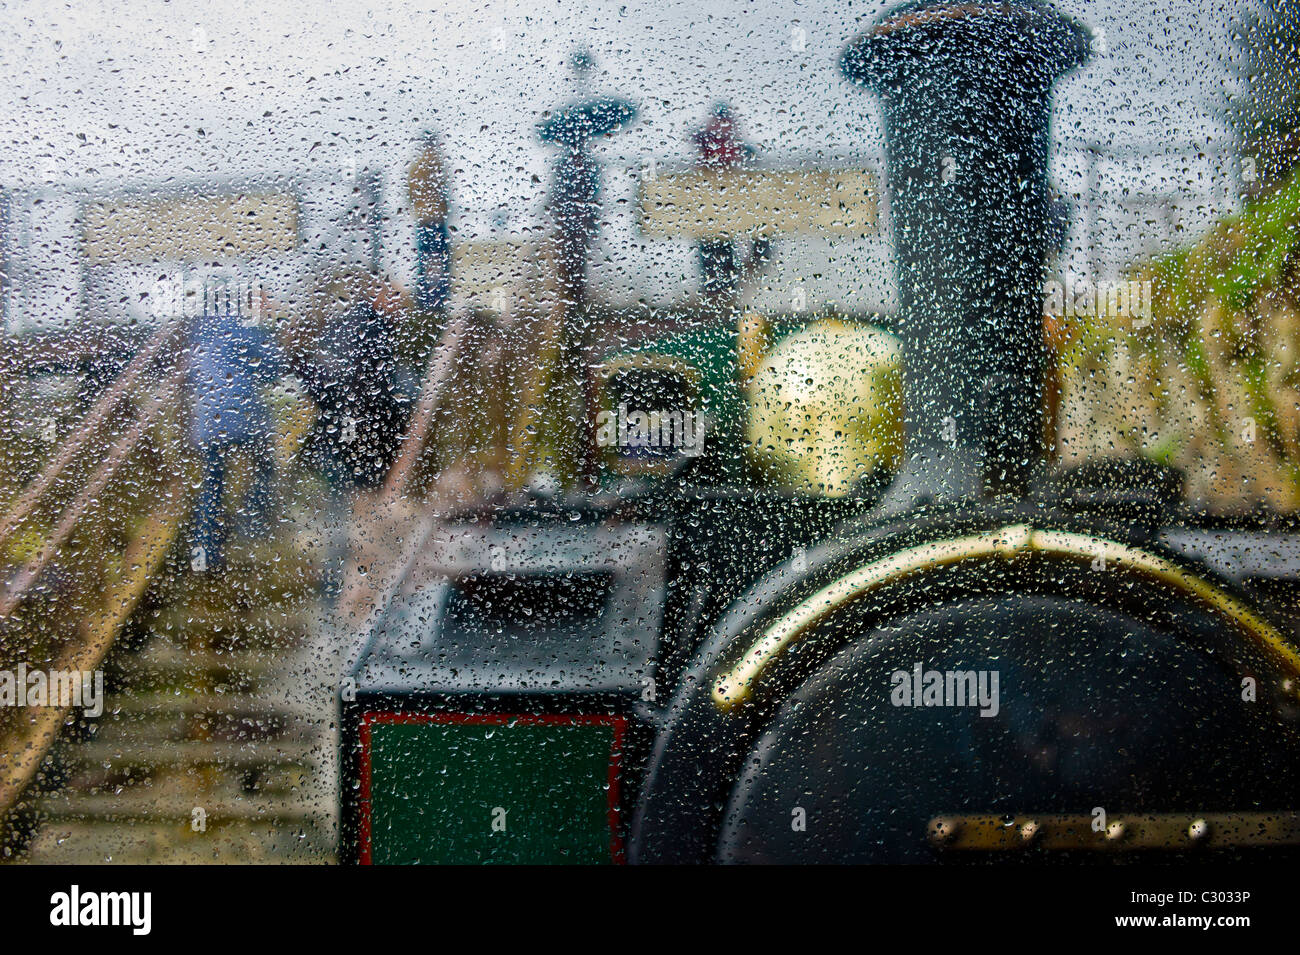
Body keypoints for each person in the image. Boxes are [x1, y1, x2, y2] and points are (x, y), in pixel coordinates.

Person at [185, 282, 283, 571]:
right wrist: (275, 338)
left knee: (211, 485)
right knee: (266, 464)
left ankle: (203, 556)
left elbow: (194, 372)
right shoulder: (244, 325)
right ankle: (251, 527)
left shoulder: (202, 327)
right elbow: (271, 368)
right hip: (240, 414)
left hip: (206, 417)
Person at [408, 132, 452, 316]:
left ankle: (425, 300)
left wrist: (419, 207)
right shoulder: (439, 164)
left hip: (423, 219)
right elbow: (445, 192)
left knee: (425, 260)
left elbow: (410, 193)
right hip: (438, 219)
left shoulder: (416, 166)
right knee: (440, 259)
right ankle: (438, 300)